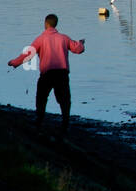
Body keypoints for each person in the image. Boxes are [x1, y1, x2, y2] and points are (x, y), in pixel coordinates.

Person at [8, 13, 85, 142]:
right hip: (62, 73)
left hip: (47, 74)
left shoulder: (40, 39)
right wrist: (81, 43)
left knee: (41, 97)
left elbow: (28, 54)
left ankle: (39, 120)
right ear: (56, 24)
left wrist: (14, 63)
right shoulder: (64, 38)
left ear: (46, 24)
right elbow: (78, 49)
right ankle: (65, 123)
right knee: (65, 99)